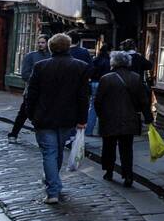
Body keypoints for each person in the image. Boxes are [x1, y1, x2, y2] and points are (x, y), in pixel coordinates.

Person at [23, 33, 90, 204]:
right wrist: (82, 119)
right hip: (67, 118)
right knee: (57, 151)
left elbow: (31, 95)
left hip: (44, 117)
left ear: (51, 47)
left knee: (50, 153)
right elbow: (83, 97)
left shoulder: (40, 66)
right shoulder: (80, 67)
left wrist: (31, 114)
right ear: (68, 47)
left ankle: (52, 190)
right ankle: (54, 185)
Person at [93, 50, 152, 188]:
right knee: (127, 149)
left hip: (109, 119)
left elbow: (98, 101)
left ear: (113, 62)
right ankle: (128, 175)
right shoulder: (135, 78)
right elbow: (143, 100)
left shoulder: (106, 78)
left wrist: (101, 115)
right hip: (129, 118)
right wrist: (148, 117)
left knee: (109, 147)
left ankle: (109, 171)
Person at [8, 36, 49, 141]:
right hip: (31, 90)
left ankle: (43, 136)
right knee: (24, 112)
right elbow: (25, 74)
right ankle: (14, 134)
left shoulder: (51, 56)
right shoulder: (31, 56)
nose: (40, 44)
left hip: (47, 91)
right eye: (39, 42)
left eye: (43, 42)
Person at [85, 42, 111, 137]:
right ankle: (101, 130)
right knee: (104, 108)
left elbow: (90, 71)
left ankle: (88, 131)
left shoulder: (96, 60)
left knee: (92, 107)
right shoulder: (108, 61)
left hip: (94, 83)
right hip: (104, 84)